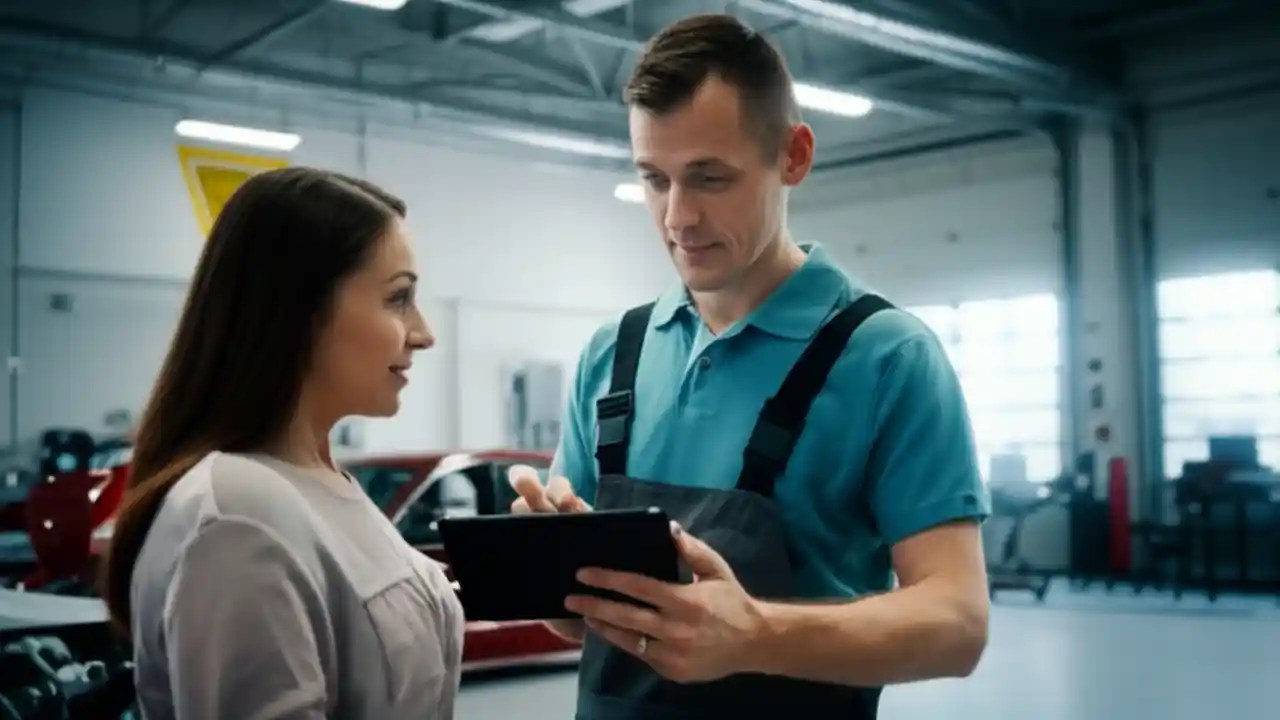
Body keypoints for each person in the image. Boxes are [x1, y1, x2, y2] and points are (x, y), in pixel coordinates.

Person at [509, 13, 992, 719]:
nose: (678, 217)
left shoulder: (889, 359)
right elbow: (576, 625)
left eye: (709, 178)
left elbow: (958, 625)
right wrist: (547, 567)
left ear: (793, 156)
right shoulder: (614, 354)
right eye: (654, 179)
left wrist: (754, 635)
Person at [100, 167, 463, 719]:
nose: (423, 332)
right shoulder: (240, 513)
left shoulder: (317, 484)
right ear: (300, 311)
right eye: (398, 298)